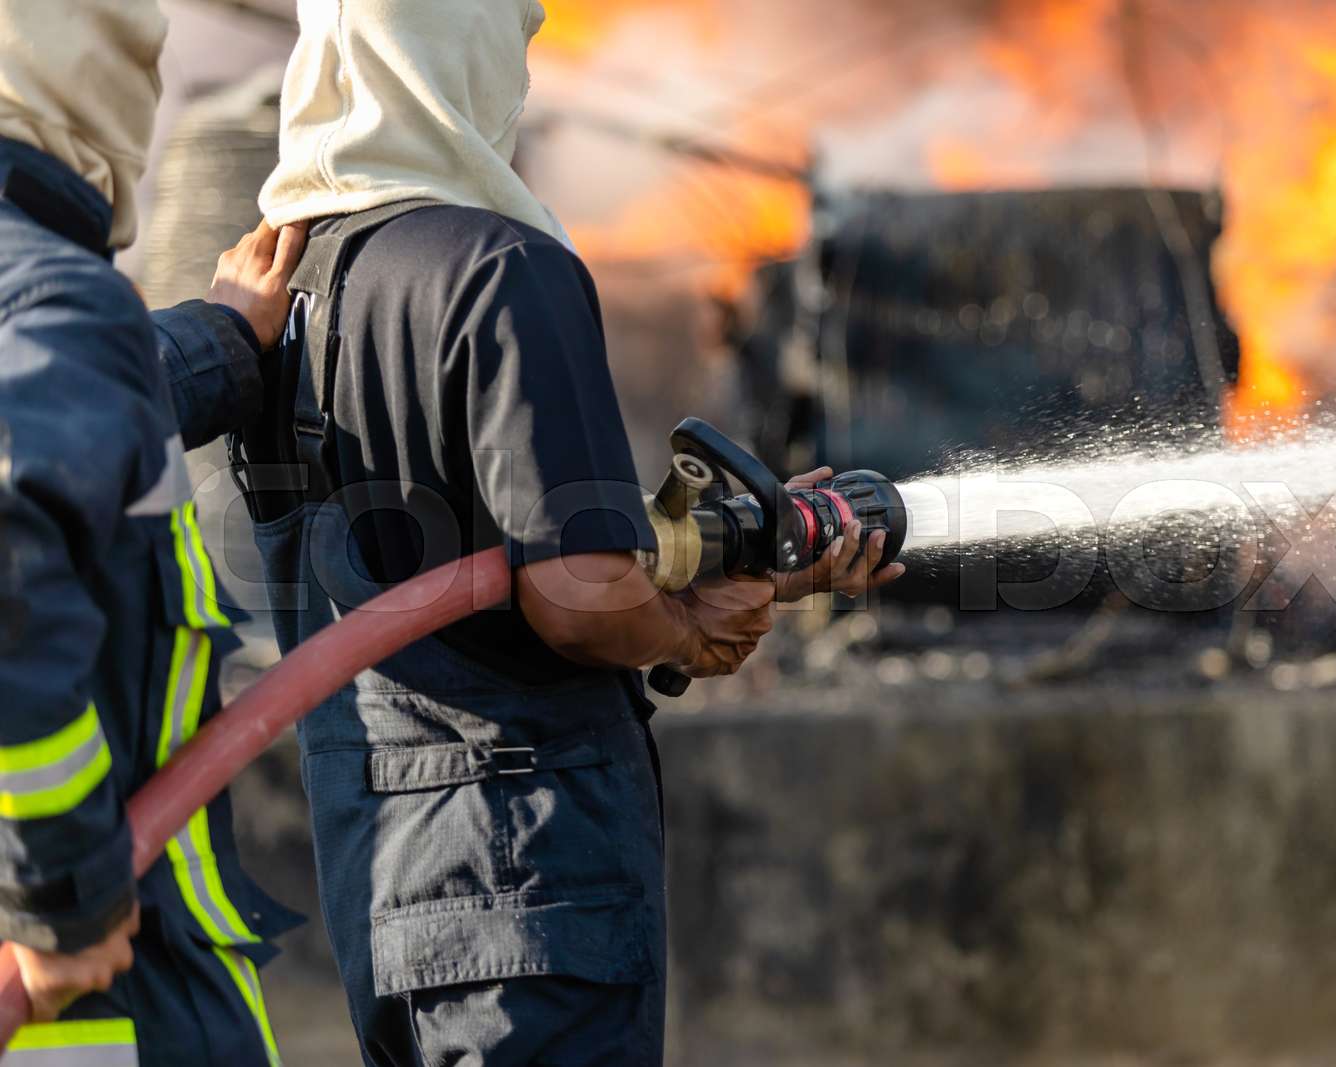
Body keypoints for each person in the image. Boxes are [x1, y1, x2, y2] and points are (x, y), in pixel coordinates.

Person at [235, 1, 901, 1063]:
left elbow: (439, 556)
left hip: (382, 885)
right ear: (465, 52)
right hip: (530, 883)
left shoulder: (275, 297)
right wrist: (685, 633)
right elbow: (580, 589)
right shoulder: (501, 268)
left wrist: (696, 568)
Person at [0, 2, 308, 1062]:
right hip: (93, 997)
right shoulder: (53, 297)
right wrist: (64, 889)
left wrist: (221, 340)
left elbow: (70, 428)